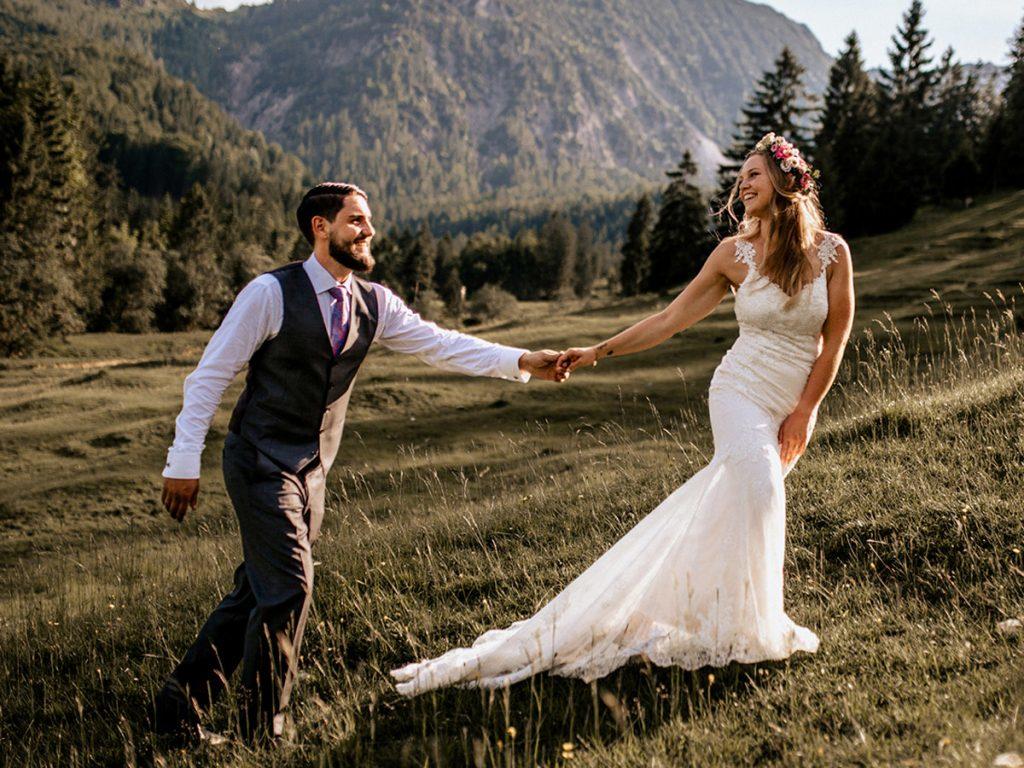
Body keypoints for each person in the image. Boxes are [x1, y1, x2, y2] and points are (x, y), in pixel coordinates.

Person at [391, 133, 854, 695]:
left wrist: (806, 410)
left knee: (736, 507)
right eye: (742, 178)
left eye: (754, 174)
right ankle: (756, 630)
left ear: (786, 182)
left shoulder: (831, 252)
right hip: (739, 393)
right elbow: (668, 320)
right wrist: (596, 351)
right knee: (761, 491)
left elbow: (833, 343)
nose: (744, 184)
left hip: (790, 399)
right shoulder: (733, 255)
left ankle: (717, 619)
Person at [153, 182, 567, 742]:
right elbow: (208, 377)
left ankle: (179, 701)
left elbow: (441, 343)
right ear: (320, 228)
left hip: (312, 469)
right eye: (355, 220)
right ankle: (262, 730)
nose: (368, 230)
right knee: (291, 586)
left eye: (368, 221)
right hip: (257, 459)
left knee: (259, 588)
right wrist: (183, 461)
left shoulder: (373, 302)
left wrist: (520, 360)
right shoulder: (270, 294)